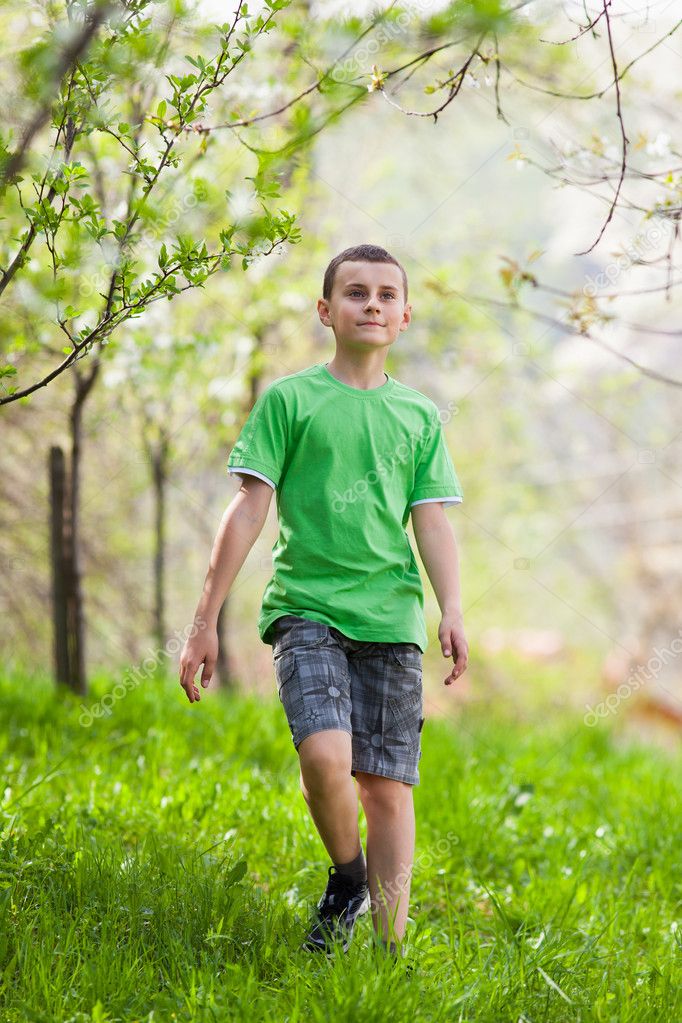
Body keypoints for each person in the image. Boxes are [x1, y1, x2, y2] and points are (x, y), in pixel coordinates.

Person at [179, 243, 468, 966]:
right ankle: (347, 878)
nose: (371, 304)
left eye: (385, 295)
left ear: (404, 316)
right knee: (324, 756)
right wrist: (204, 618)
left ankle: (388, 955)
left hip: (392, 618)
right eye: (355, 293)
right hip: (307, 607)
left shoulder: (418, 416)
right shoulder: (290, 400)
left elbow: (431, 518)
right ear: (325, 310)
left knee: (389, 790)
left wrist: (452, 607)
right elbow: (248, 509)